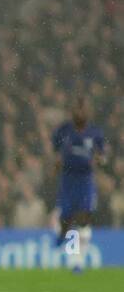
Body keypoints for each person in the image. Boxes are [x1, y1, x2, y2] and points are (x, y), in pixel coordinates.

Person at [51, 97, 108, 272]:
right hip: (67, 180)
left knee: (82, 219)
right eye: (77, 109)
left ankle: (77, 262)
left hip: (85, 181)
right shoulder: (64, 130)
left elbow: (103, 157)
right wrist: (56, 163)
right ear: (72, 112)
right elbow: (55, 151)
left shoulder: (95, 133)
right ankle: (62, 234)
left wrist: (100, 160)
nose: (80, 113)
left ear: (88, 113)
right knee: (67, 221)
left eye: (83, 110)